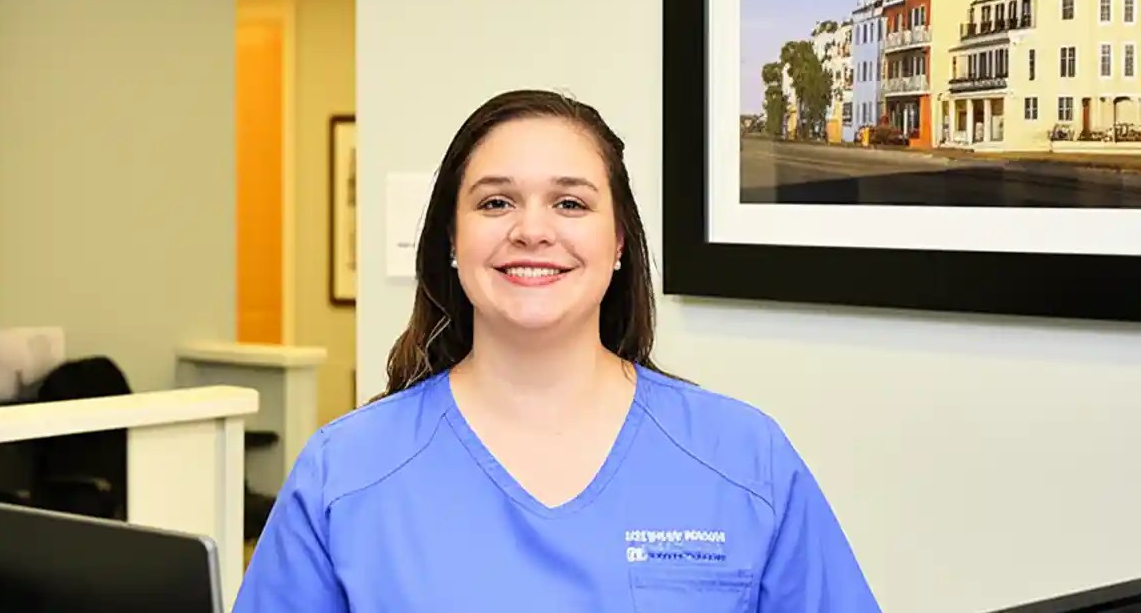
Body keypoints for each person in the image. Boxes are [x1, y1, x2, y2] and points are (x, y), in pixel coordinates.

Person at [232, 89, 881, 612]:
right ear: (452, 241)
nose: (532, 230)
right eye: (496, 202)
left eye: (570, 202)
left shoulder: (743, 458)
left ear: (619, 241)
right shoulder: (344, 475)